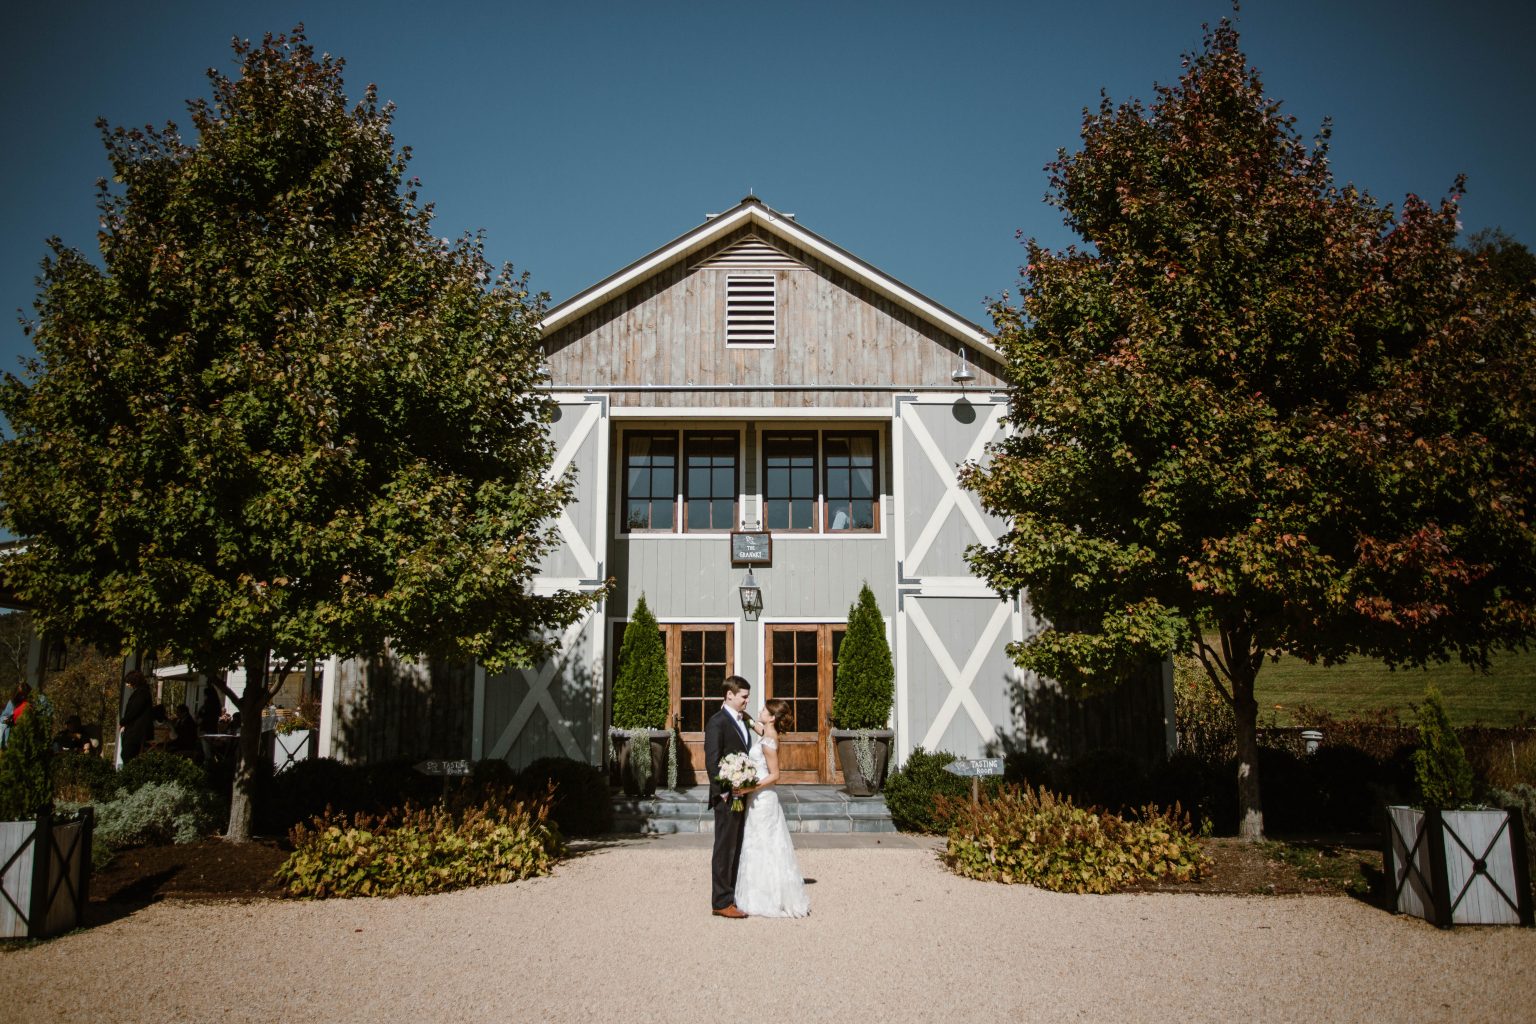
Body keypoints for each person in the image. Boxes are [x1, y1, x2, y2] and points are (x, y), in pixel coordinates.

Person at [732, 699, 811, 918]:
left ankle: (765, 897)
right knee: (761, 842)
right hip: (759, 798)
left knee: (762, 844)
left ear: (772, 717)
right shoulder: (766, 733)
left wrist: (748, 788)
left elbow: (776, 775)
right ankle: (761, 891)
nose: (760, 710)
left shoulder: (769, 742)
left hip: (763, 799)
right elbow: (756, 727)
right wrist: (742, 714)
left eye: (764, 710)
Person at [704, 675, 754, 918]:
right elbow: (712, 763)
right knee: (724, 848)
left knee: (736, 846)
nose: (747, 701)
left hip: (741, 794)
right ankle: (721, 902)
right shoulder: (717, 722)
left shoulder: (741, 719)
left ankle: (732, 896)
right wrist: (725, 793)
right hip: (726, 796)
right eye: (744, 697)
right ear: (729, 695)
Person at [118, 670, 153, 762]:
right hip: (134, 729)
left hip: (136, 731)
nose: (127, 685)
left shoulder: (142, 693)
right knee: (127, 754)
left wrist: (123, 721)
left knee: (128, 755)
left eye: (128, 682)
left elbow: (134, 711)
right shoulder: (142, 692)